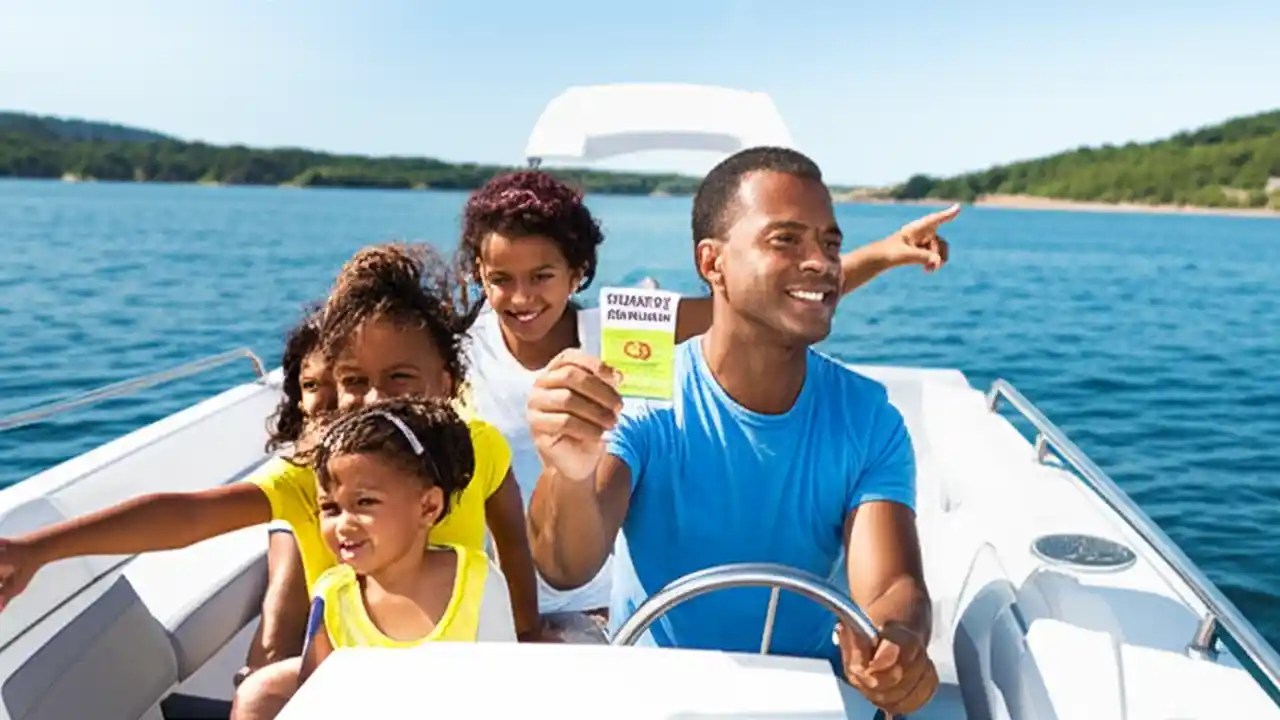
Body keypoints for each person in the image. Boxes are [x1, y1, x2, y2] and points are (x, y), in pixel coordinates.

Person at [524, 147, 948, 716]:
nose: (821, 262)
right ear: (712, 262)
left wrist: (897, 642)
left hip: (796, 696)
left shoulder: (869, 417)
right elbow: (564, 565)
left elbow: (892, 585)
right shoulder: (643, 398)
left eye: (830, 243)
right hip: (650, 693)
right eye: (786, 240)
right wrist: (568, 471)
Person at [457, 169, 954, 619]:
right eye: (502, 279)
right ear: (481, 274)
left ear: (576, 273)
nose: (522, 297)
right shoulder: (458, 351)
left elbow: (758, 302)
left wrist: (885, 254)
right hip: (514, 584)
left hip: (597, 592)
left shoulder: (626, 340)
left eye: (541, 277)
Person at [281, 397, 514, 713]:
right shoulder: (331, 595)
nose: (343, 525)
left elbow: (505, 695)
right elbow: (312, 702)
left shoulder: (478, 579)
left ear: (428, 507)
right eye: (330, 509)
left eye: (364, 503)